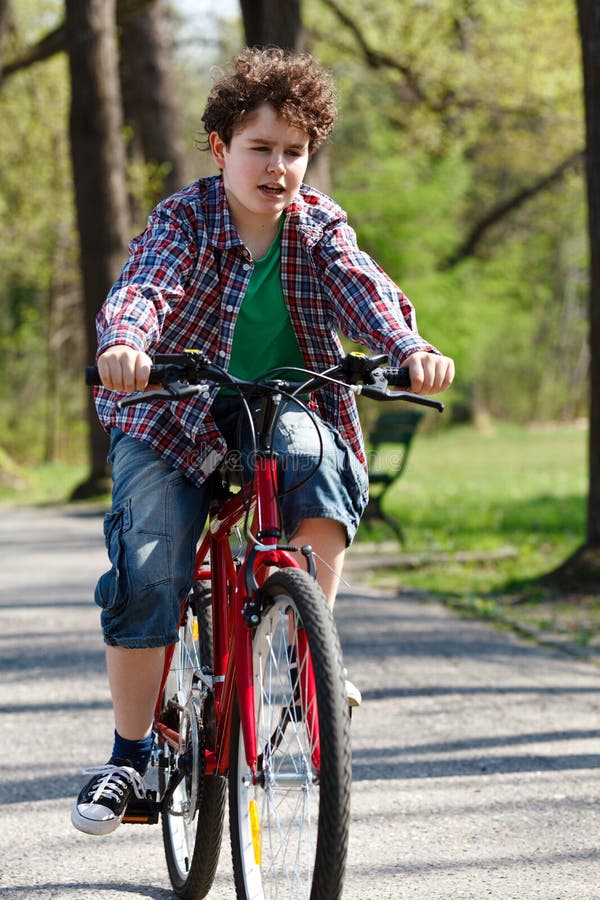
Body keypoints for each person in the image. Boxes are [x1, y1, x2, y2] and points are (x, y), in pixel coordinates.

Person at [71, 46, 454, 837]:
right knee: (152, 561)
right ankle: (131, 756)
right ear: (221, 150)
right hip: (172, 416)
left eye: (293, 152)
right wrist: (125, 347)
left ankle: (311, 652)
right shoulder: (186, 218)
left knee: (320, 461)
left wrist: (408, 345)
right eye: (261, 148)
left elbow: (364, 286)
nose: (277, 167)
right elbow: (147, 284)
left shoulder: (320, 226)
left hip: (283, 409)